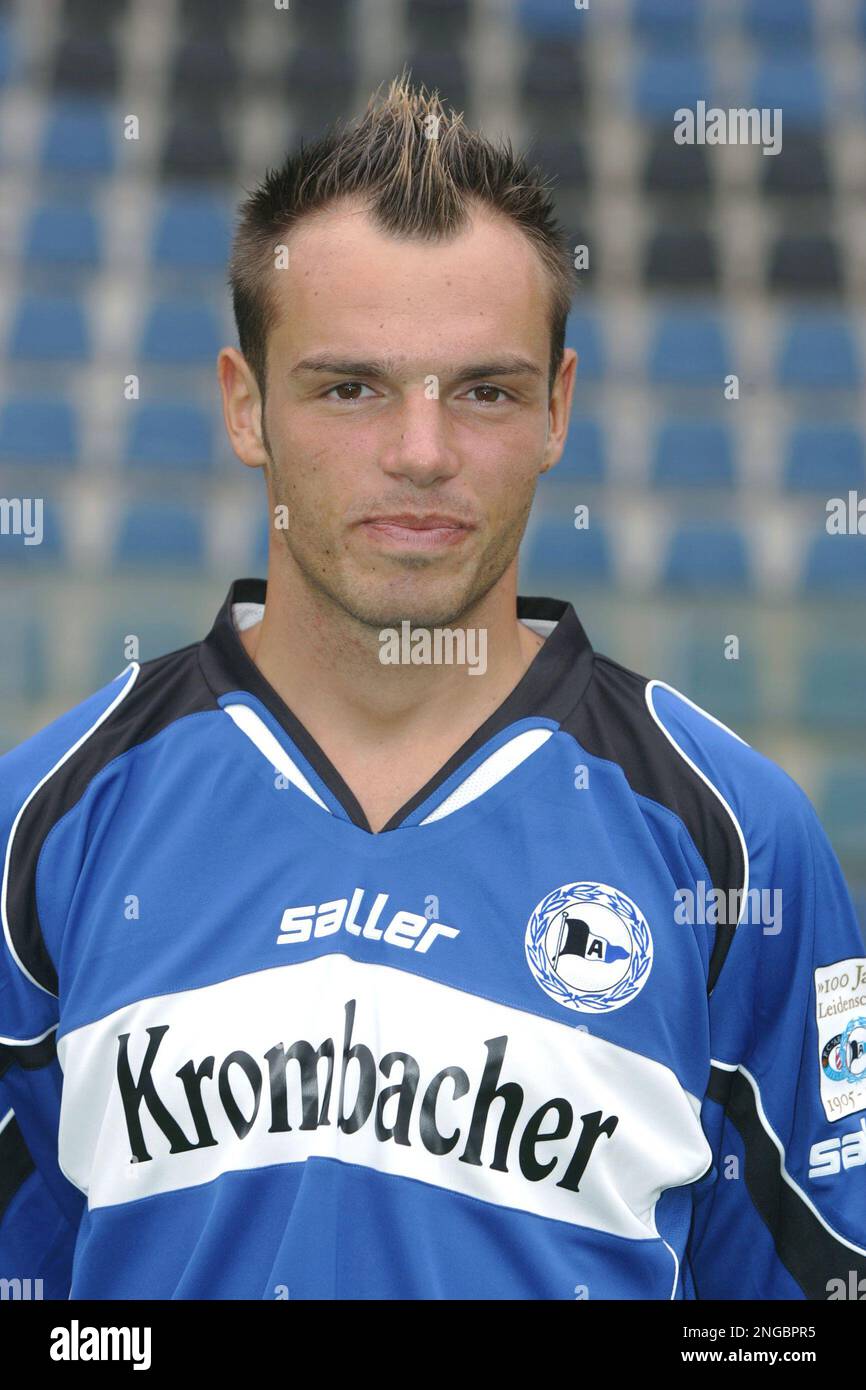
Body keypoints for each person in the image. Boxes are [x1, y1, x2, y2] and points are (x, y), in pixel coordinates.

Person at [1, 76, 864, 1301]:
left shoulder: (732, 839)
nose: (420, 452)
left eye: (484, 390)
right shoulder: (41, 826)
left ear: (558, 409)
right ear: (245, 406)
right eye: (349, 387)